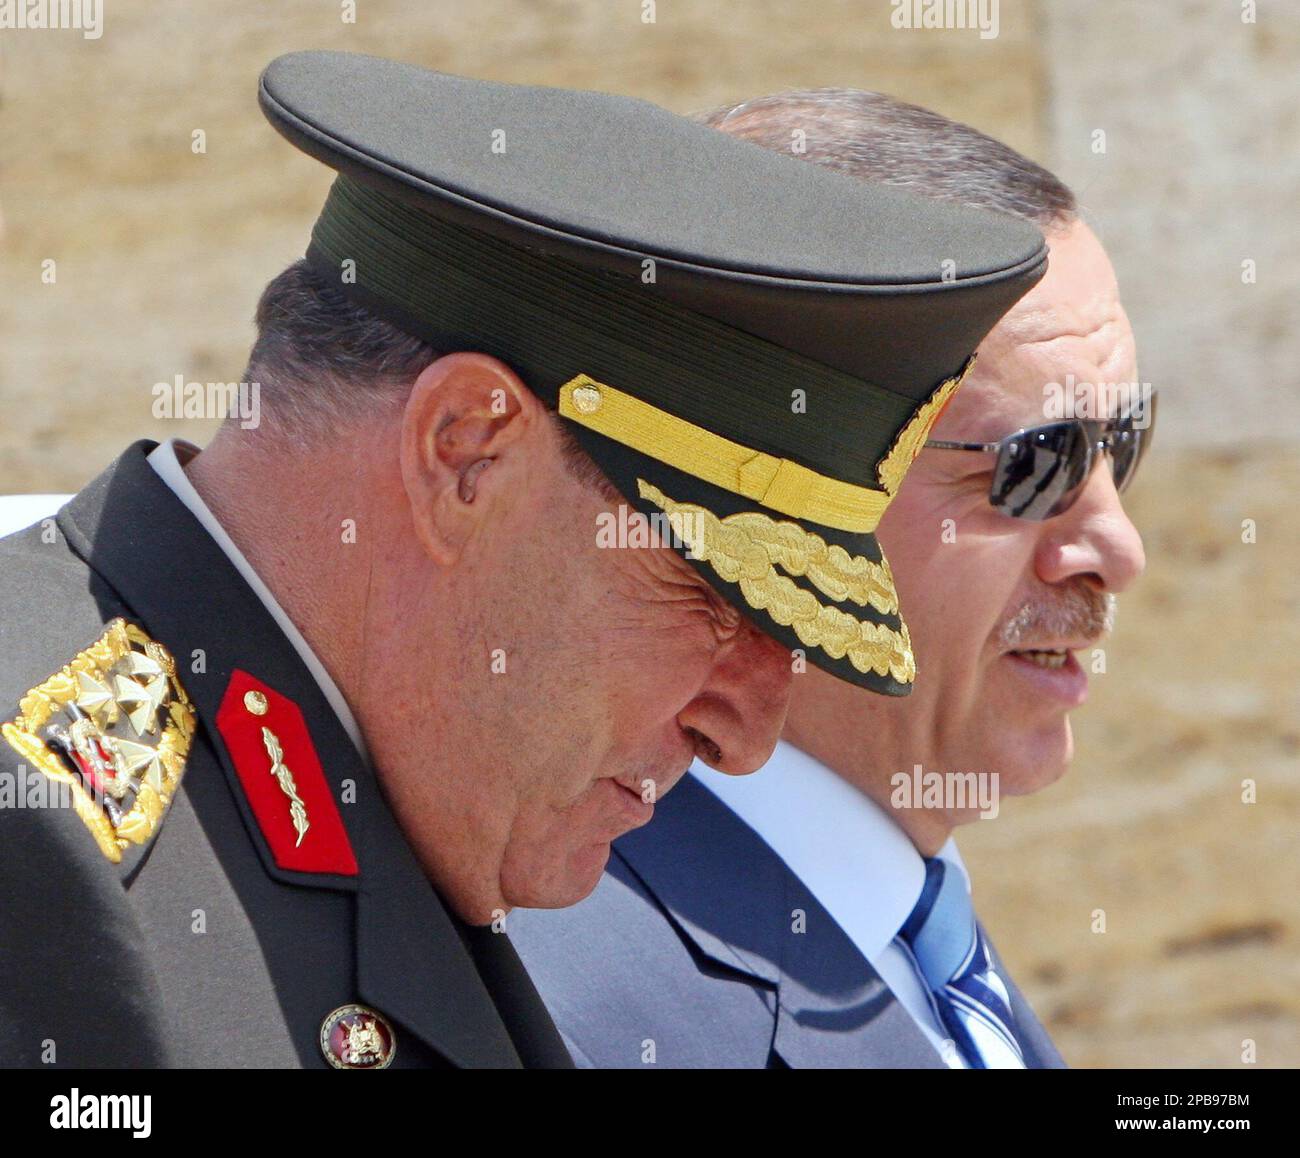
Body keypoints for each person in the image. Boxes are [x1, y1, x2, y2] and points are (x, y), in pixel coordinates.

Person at [0, 60, 1045, 1068]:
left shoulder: (409, 806)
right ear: (465, 449)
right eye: (710, 593)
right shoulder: (41, 830)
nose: (745, 737)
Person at [510, 88, 1150, 1068]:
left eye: (1123, 442)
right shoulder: (581, 1004)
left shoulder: (911, 930)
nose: (1114, 548)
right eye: (1032, 465)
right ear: (770, 488)